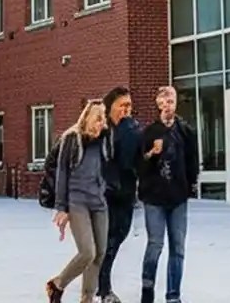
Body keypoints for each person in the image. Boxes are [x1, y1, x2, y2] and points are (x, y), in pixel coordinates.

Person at [137, 85, 200, 303]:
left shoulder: (185, 130)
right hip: (154, 197)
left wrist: (191, 185)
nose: (167, 106)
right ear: (157, 105)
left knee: (178, 247)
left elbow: (192, 161)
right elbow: (140, 165)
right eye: (163, 103)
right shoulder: (149, 132)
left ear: (176, 103)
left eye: (171, 101)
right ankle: (147, 289)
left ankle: (174, 295)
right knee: (155, 244)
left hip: (178, 197)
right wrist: (152, 154)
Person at [46, 100, 112, 303]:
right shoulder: (71, 138)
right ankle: (57, 284)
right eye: (97, 119)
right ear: (87, 117)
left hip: (99, 202)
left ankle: (87, 299)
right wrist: (61, 207)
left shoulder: (104, 139)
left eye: (103, 119)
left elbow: (107, 167)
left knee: (100, 253)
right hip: (77, 201)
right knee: (87, 252)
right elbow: (62, 173)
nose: (100, 123)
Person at [99, 86, 142, 303]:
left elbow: (134, 160)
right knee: (105, 241)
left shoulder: (131, 129)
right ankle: (103, 288)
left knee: (119, 236)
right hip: (103, 194)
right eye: (122, 106)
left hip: (125, 193)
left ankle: (100, 284)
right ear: (110, 107)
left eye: (129, 106)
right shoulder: (102, 128)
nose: (126, 110)